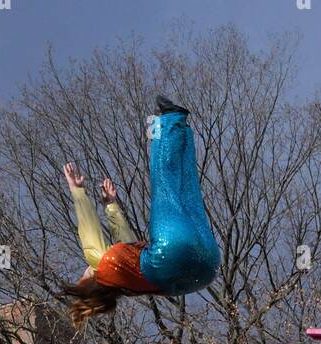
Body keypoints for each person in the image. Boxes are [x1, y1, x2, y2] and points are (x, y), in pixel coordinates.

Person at [61, 98, 220, 328]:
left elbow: (126, 243)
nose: (84, 270)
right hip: (169, 254)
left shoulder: (128, 283)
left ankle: (182, 128)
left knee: (187, 192)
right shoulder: (102, 265)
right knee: (164, 186)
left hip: (206, 268)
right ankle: (167, 120)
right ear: (90, 280)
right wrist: (77, 191)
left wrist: (111, 206)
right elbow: (88, 232)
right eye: (84, 274)